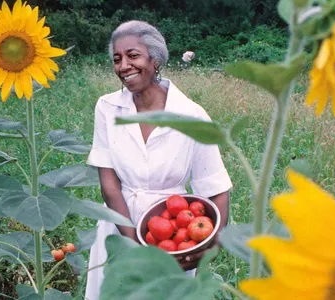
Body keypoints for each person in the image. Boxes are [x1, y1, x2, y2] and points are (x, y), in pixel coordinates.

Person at [85, 20, 232, 300]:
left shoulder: (191, 115)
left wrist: (209, 247)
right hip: (118, 229)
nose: (123, 65)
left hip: (174, 239)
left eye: (133, 55)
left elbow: (216, 188)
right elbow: (109, 183)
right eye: (117, 59)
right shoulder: (107, 107)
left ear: (155, 60)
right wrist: (132, 242)